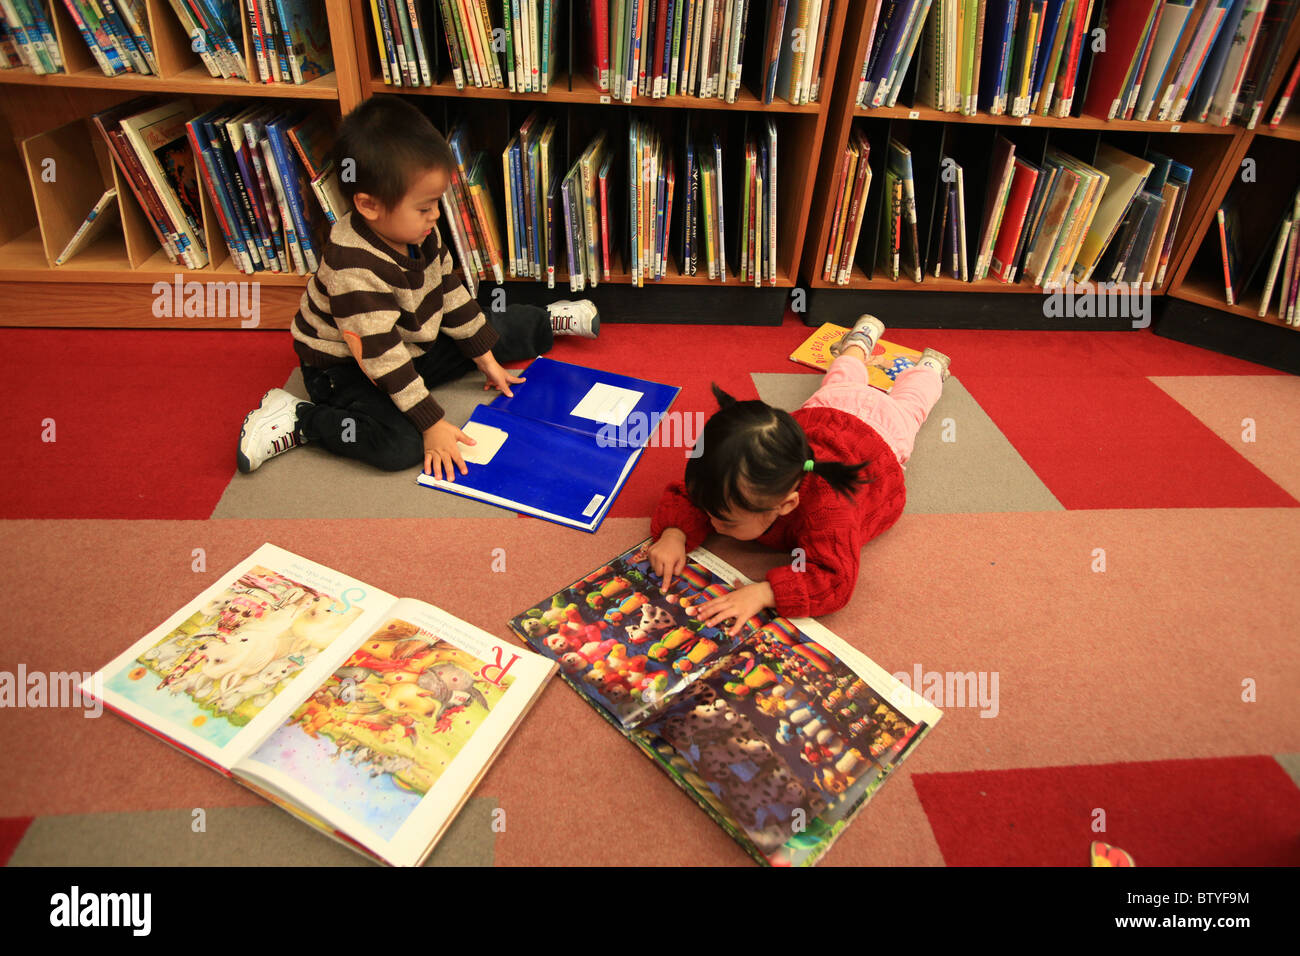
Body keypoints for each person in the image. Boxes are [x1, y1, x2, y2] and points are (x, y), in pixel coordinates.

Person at [236, 96, 598, 478]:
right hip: (350, 368)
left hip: (410, 341)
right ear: (369, 205)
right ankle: (302, 419)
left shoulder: (416, 228)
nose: (436, 216)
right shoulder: (353, 269)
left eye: (436, 203)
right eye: (425, 208)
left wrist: (486, 358)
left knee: (492, 333)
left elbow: (450, 292)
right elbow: (382, 358)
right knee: (399, 446)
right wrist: (431, 423)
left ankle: (544, 320)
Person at [648, 316, 949, 631]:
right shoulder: (735, 479)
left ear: (786, 505)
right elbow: (690, 494)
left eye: (725, 520)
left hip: (884, 431)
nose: (711, 522)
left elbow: (835, 579)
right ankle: (860, 340)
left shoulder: (829, 513)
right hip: (829, 409)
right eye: (711, 513)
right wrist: (674, 534)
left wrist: (765, 593)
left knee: (911, 403)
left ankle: (931, 368)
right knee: (842, 375)